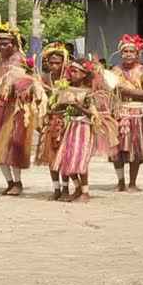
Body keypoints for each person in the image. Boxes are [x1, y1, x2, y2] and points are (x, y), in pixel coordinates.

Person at [0, 21, 45, 196]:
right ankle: (10, 182)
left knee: (13, 147)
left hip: (16, 109)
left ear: (14, 42)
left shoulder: (22, 60)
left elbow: (32, 84)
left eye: (6, 43)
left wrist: (19, 87)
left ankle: (18, 183)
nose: (3, 46)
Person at [111, 34, 143, 193]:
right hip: (119, 111)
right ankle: (120, 181)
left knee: (134, 149)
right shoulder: (115, 70)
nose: (128, 54)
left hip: (137, 113)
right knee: (116, 149)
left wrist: (128, 91)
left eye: (131, 52)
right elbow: (109, 91)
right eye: (125, 52)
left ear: (137, 54)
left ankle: (132, 183)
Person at [54, 59, 100, 203]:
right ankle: (78, 188)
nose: (71, 74)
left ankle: (85, 193)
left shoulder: (89, 92)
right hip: (71, 127)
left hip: (84, 128)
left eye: (75, 71)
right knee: (66, 160)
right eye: (71, 71)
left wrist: (78, 106)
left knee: (80, 161)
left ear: (84, 74)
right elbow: (61, 108)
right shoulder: (68, 88)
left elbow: (93, 115)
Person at [35, 43, 74, 201]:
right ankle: (56, 188)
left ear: (64, 62)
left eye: (58, 63)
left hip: (65, 120)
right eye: (51, 63)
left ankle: (66, 189)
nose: (54, 66)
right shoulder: (45, 79)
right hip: (50, 120)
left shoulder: (69, 78)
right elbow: (40, 100)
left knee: (63, 157)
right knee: (51, 157)